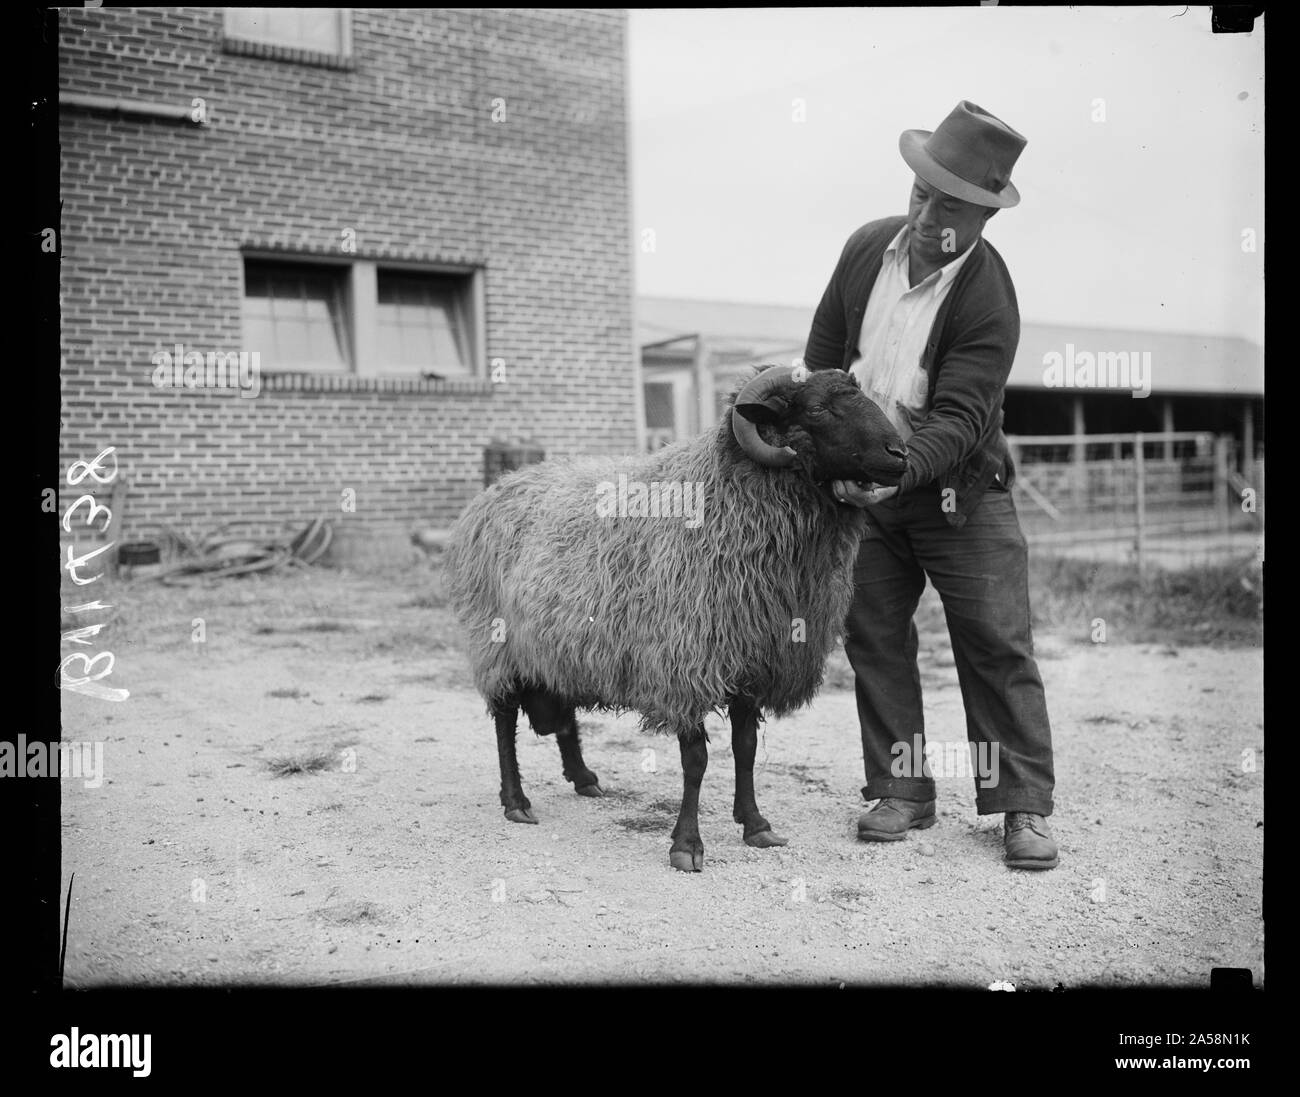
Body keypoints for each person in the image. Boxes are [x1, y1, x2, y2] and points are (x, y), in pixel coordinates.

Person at [802, 100, 1058, 870]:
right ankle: (903, 789)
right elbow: (821, 362)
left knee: (994, 641)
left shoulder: (987, 296)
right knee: (874, 633)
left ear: (985, 214)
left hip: (958, 492)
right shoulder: (864, 251)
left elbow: (959, 419)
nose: (926, 213)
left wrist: (900, 472)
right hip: (865, 494)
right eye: (921, 191)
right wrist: (826, 460)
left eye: (949, 203)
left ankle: (1020, 807)